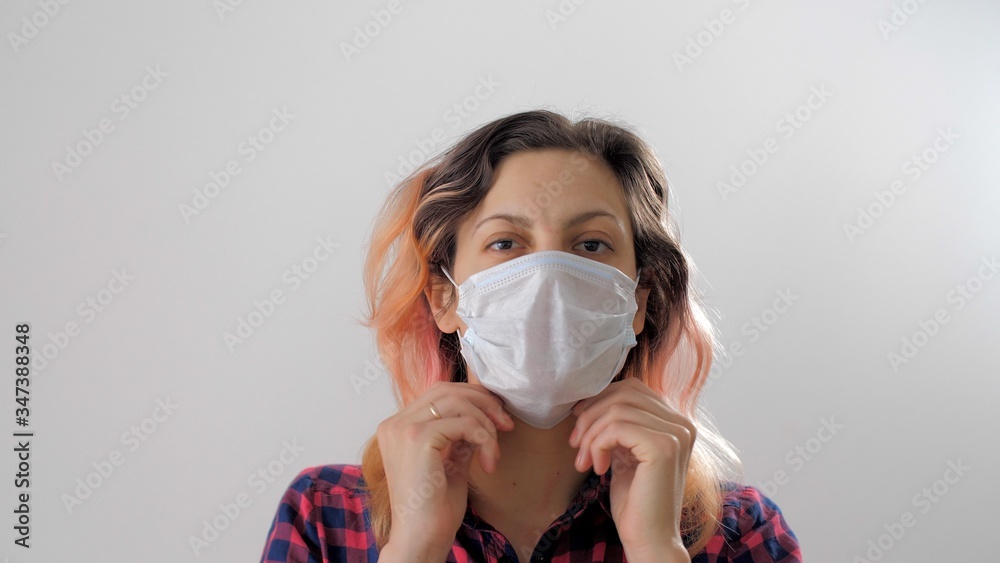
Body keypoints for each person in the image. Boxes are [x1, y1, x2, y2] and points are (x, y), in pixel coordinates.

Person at [259, 109, 802, 562]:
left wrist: (656, 548)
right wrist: (414, 547)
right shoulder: (326, 516)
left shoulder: (738, 534)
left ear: (638, 300)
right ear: (444, 297)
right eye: (505, 243)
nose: (548, 276)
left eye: (591, 245)